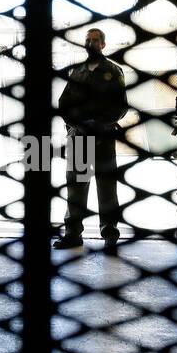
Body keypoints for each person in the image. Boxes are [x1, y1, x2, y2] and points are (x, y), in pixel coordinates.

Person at [54, 27, 128, 250]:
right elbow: (64, 103)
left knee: (106, 187)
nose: (91, 43)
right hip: (79, 136)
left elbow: (121, 106)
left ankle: (110, 235)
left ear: (103, 44)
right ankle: (73, 234)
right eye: (88, 40)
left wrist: (100, 124)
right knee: (76, 187)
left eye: (95, 40)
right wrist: (75, 126)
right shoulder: (77, 72)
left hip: (103, 137)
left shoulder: (113, 71)